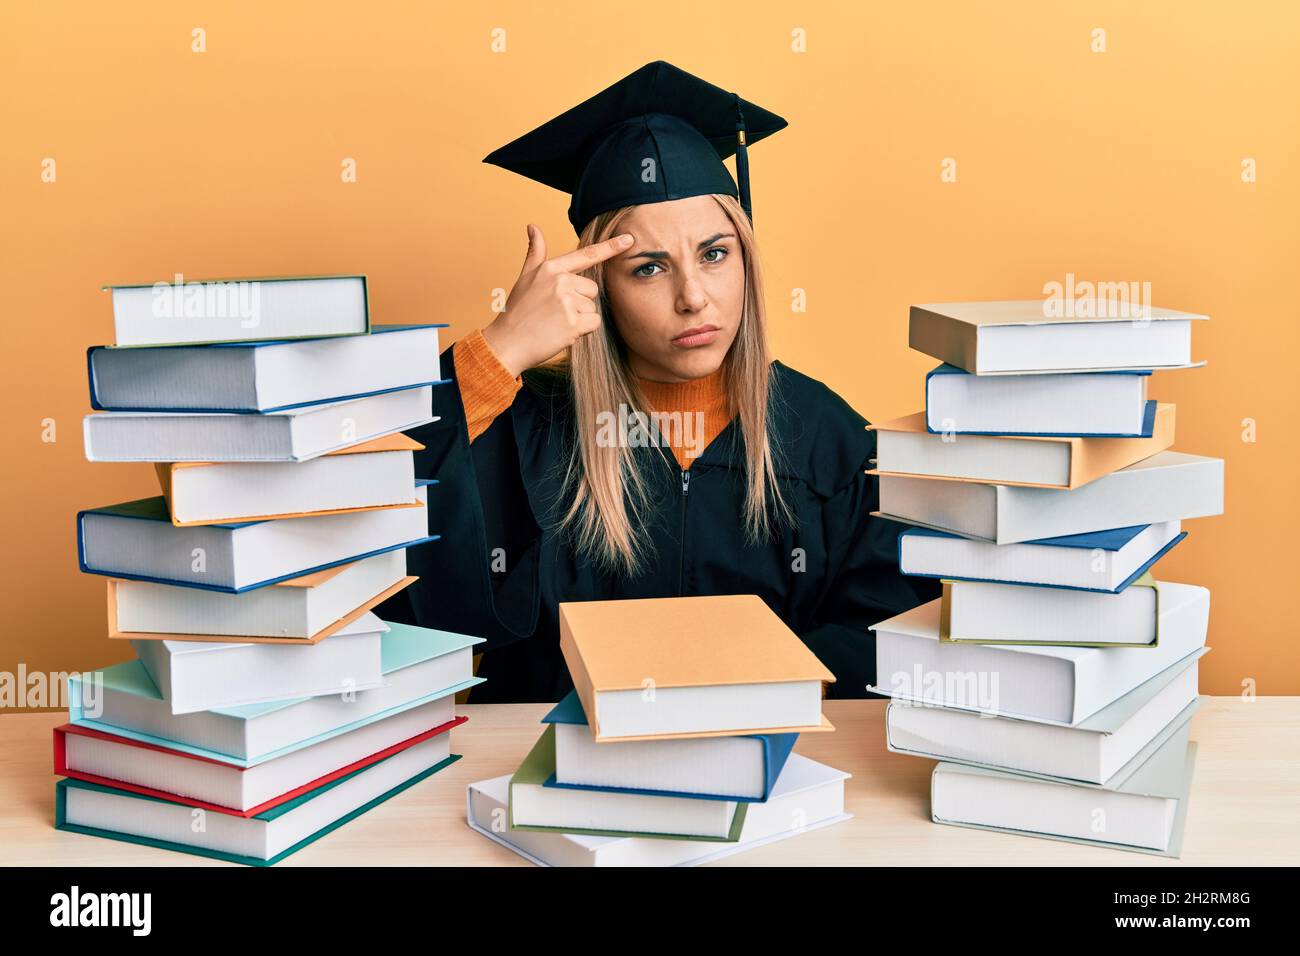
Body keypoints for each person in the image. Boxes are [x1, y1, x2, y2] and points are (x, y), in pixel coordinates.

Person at [378, 60, 938, 702]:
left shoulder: (825, 436)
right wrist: (498, 352)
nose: (693, 297)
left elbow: (887, 639)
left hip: (768, 774)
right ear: (598, 288)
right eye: (648, 268)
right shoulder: (528, 428)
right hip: (550, 773)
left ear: (747, 261)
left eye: (715, 253)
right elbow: (384, 554)